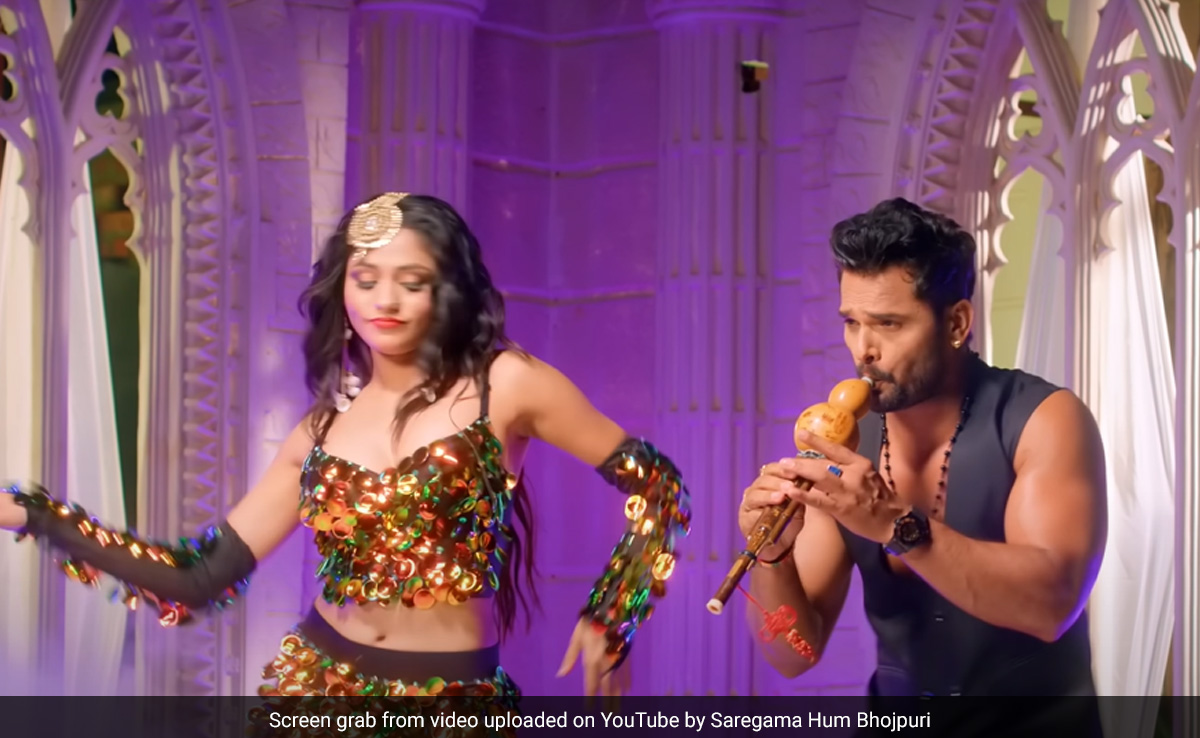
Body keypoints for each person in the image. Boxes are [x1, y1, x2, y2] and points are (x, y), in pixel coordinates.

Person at [1, 193, 690, 715]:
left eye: (412, 281)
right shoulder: (320, 431)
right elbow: (200, 575)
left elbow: (660, 486)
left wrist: (614, 611)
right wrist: (36, 515)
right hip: (314, 693)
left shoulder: (505, 385)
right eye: (365, 278)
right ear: (342, 287)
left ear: (447, 290)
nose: (385, 299)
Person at [738, 199, 1106, 731]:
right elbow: (793, 655)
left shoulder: (1045, 419)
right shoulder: (845, 447)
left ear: (956, 322)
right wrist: (772, 557)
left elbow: (1051, 606)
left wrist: (893, 523)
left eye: (888, 324)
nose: (863, 350)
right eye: (851, 322)